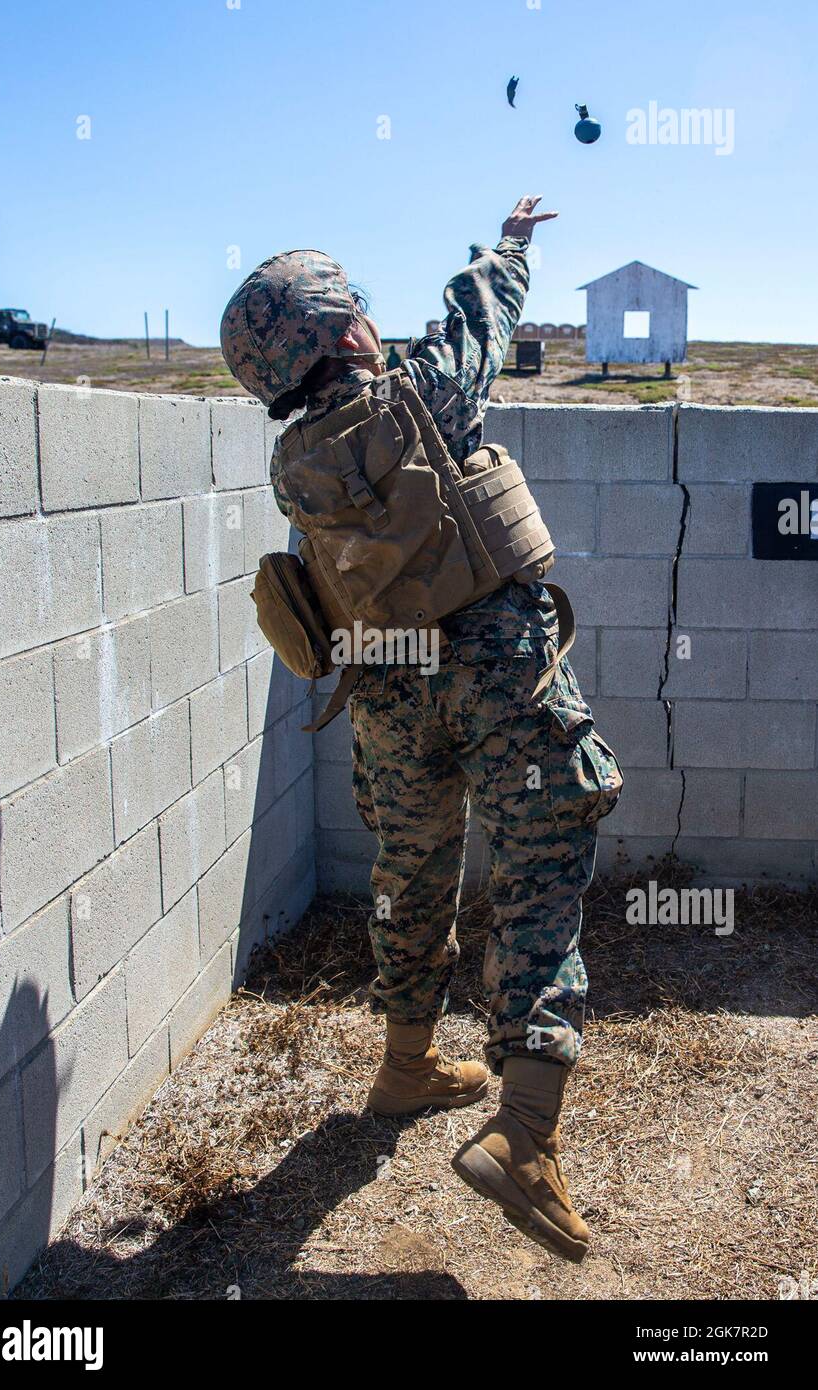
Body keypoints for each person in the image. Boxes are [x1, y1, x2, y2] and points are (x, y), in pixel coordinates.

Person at [220, 196, 623, 1263]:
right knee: (540, 855)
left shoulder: (291, 463)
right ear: (343, 329)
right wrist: (513, 244)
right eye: (354, 311)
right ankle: (525, 1134)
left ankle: (405, 1064)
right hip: (497, 677)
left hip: (390, 695)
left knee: (410, 865)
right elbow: (482, 310)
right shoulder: (420, 390)